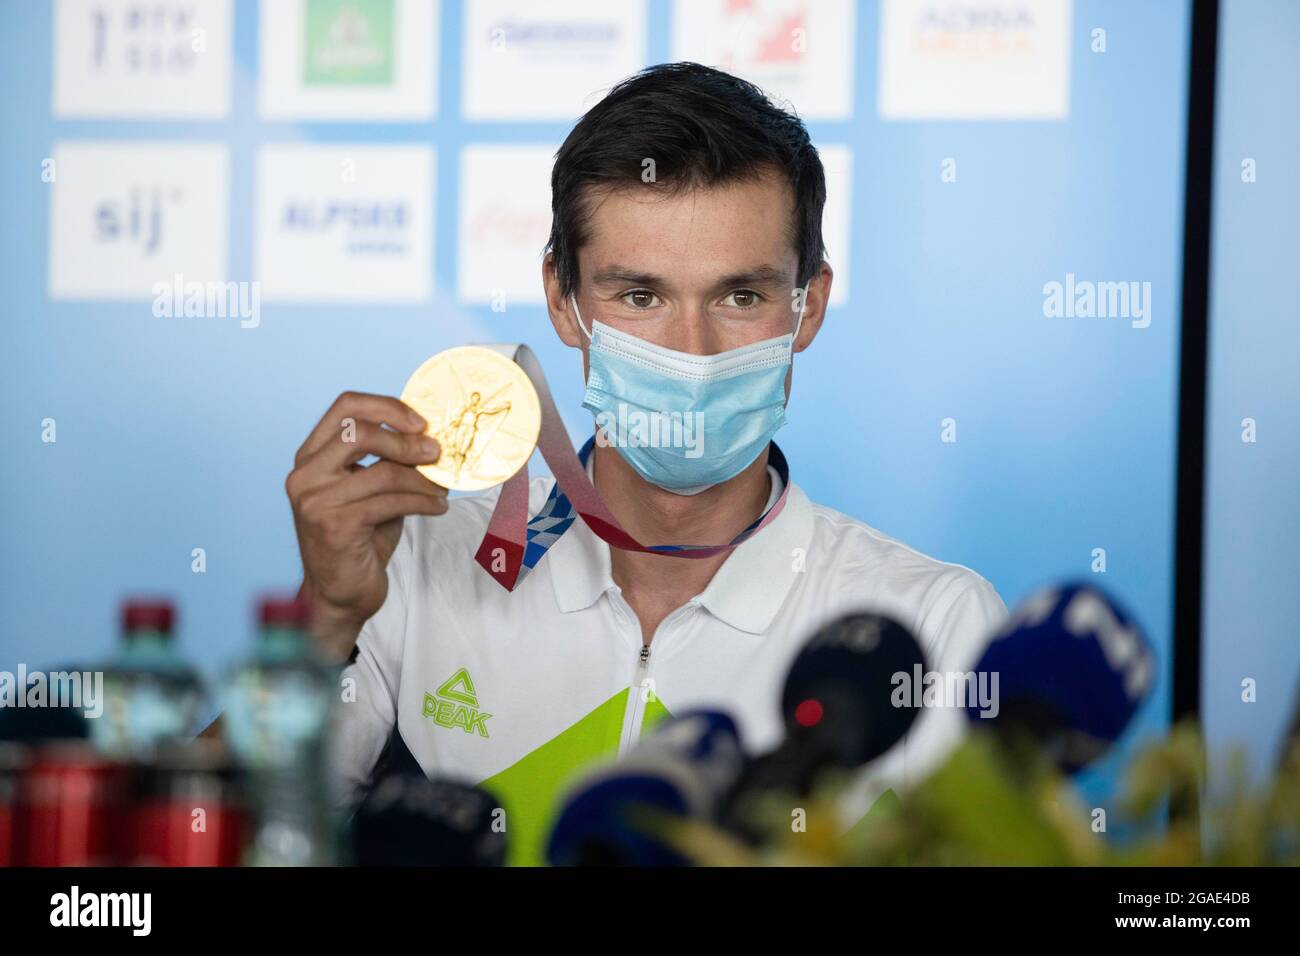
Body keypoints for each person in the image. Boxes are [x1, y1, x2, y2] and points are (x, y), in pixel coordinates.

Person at [284, 63, 1007, 865]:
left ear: (810, 305)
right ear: (562, 299)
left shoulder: (933, 629)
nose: (691, 354)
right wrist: (327, 619)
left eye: (741, 297)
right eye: (639, 297)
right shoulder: (416, 563)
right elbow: (221, 839)